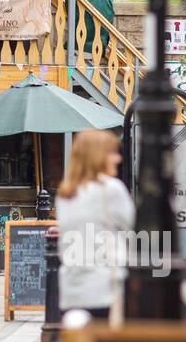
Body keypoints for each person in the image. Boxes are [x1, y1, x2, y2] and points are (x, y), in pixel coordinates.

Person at [55, 130, 136, 321]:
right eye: (112, 153)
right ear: (97, 156)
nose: (117, 158)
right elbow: (134, 230)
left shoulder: (65, 194)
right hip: (105, 290)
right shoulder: (111, 189)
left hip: (71, 291)